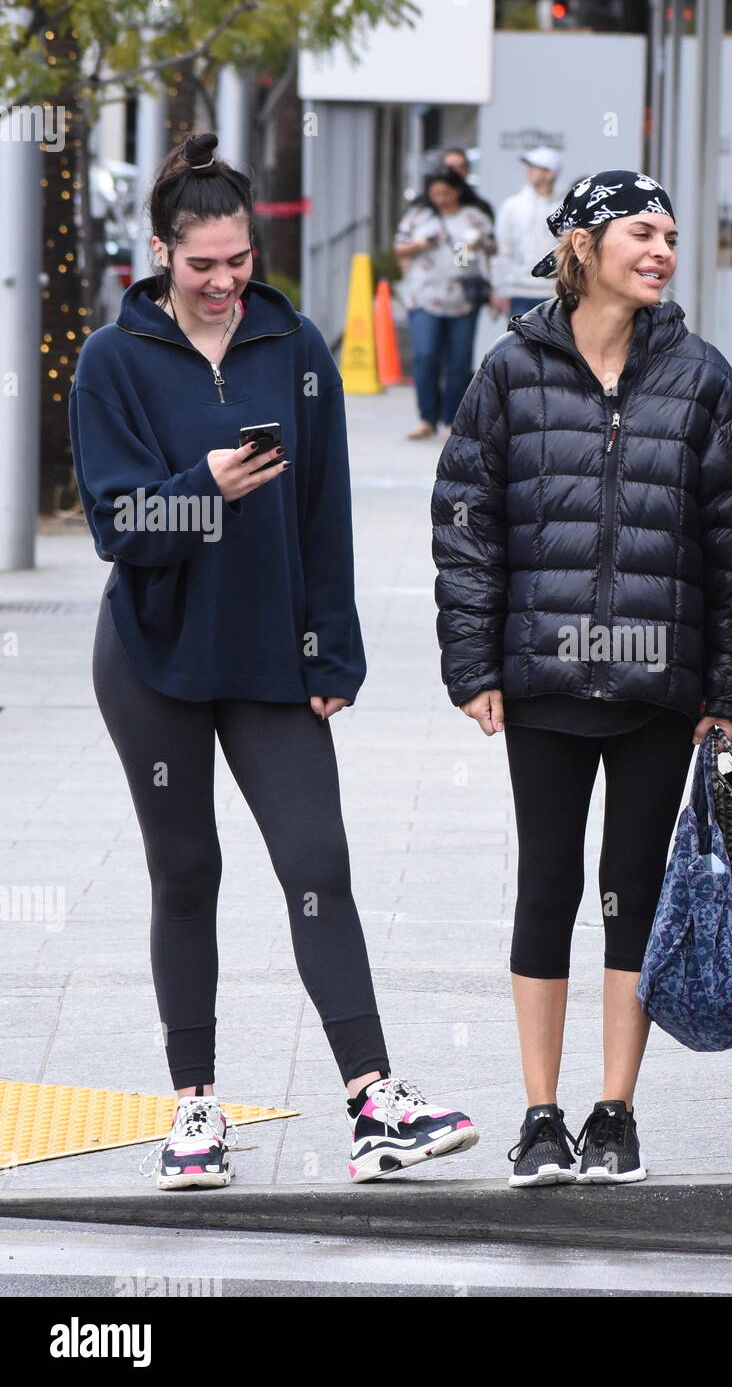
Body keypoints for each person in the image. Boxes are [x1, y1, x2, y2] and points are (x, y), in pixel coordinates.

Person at [68, 132, 479, 1191]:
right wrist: (200, 485)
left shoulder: (292, 346)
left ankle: (374, 1100)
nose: (222, 283)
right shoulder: (112, 361)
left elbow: (322, 508)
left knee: (316, 866)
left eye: (237, 261)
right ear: (160, 252)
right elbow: (118, 527)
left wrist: (332, 646)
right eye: (201, 265)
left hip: (271, 654)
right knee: (186, 872)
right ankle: (195, 1108)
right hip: (154, 658)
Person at [432, 170, 732, 1188]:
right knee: (546, 885)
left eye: (670, 235)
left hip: (658, 689)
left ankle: (614, 1111)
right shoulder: (510, 372)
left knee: (632, 893)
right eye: (641, 232)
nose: (662, 249)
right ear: (582, 245)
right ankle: (538, 1113)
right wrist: (472, 662)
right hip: (541, 676)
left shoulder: (702, 379)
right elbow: (466, 522)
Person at [395, 167, 495, 441]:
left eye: (445, 192)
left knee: (458, 361)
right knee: (426, 355)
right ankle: (426, 417)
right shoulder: (419, 215)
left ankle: (452, 420)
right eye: (435, 192)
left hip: (462, 299)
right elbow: (399, 247)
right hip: (423, 295)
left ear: (457, 191)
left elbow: (493, 248)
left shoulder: (474, 215)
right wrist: (420, 245)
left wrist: (480, 244)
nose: (439, 197)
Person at [489, 146, 564, 319]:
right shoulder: (512, 206)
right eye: (529, 166)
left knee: (555, 345)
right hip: (519, 291)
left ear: (550, 173)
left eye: (535, 167)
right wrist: (500, 289)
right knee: (521, 344)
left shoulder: (565, 206)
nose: (529, 171)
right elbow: (503, 250)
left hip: (555, 292)